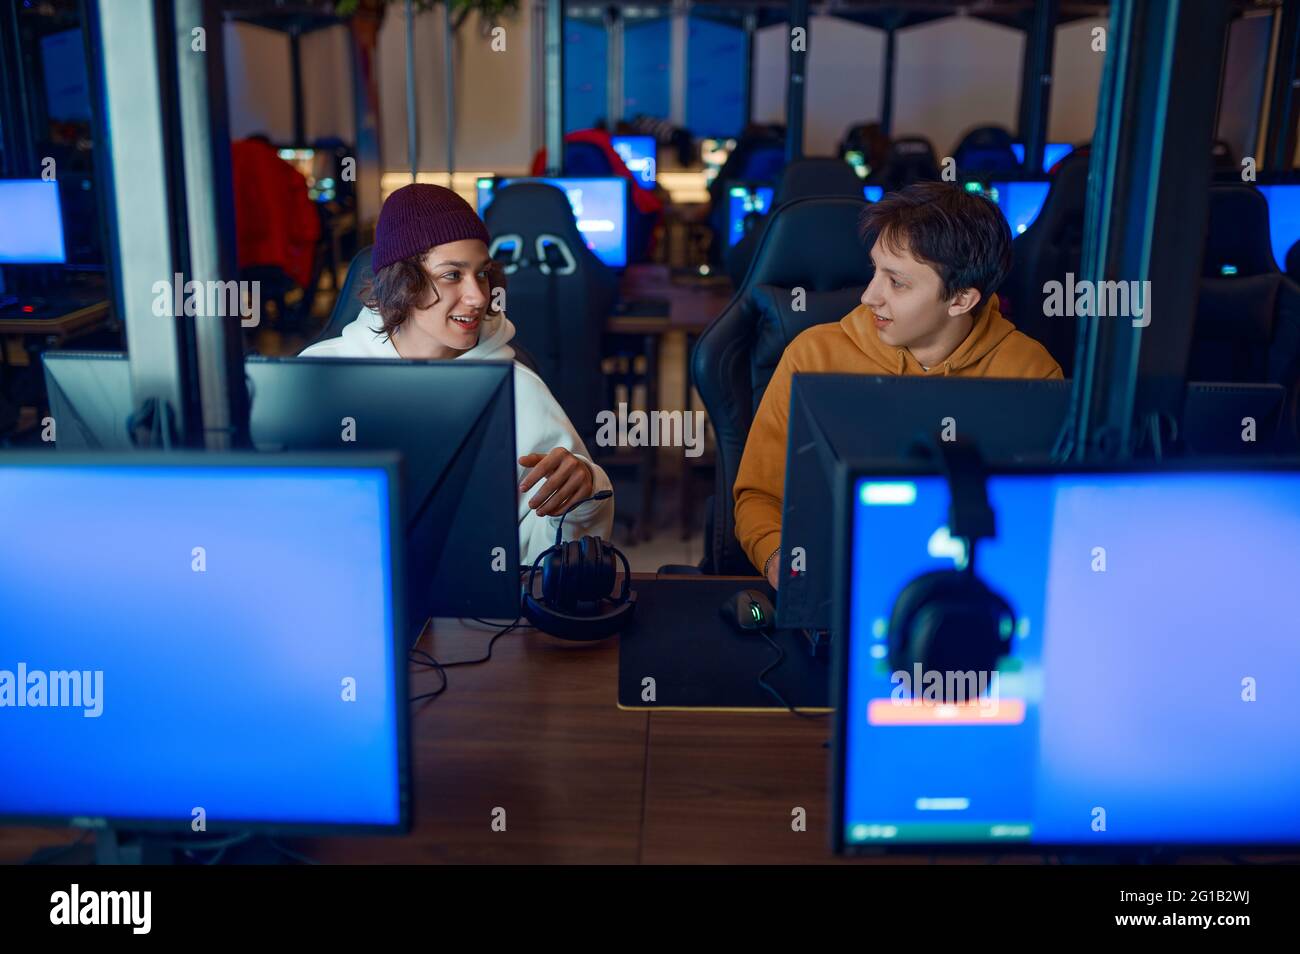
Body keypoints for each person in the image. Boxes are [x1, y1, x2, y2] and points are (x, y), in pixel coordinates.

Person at [734, 181, 1063, 588]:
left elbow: (1043, 521)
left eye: (897, 282)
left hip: (966, 592)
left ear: (961, 300)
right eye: (875, 271)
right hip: (834, 585)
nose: (869, 296)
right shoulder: (812, 356)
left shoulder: (1030, 374)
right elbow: (758, 497)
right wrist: (782, 562)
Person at [300, 184, 614, 564]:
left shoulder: (518, 391)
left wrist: (584, 492)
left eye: (482, 275)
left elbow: (556, 562)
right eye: (452, 275)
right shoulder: (316, 377)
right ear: (403, 282)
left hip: (472, 621)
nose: (479, 296)